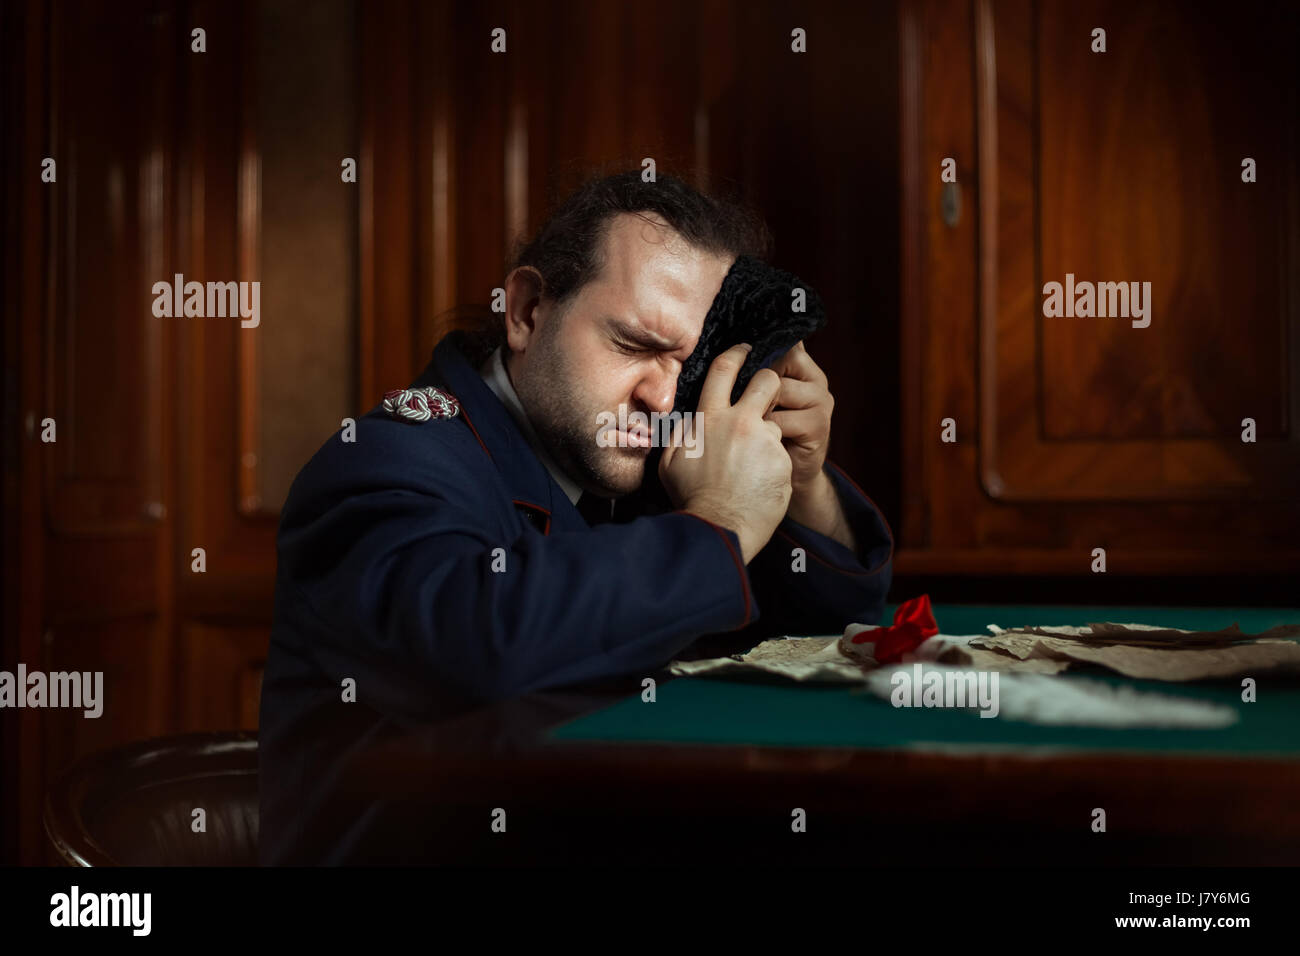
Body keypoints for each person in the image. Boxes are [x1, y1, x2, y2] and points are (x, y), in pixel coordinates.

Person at [258, 170, 892, 863]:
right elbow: (479, 647)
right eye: (636, 345)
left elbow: (827, 634)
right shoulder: (384, 462)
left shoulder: (638, 454)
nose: (663, 396)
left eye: (690, 363)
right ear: (528, 310)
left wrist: (802, 488)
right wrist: (720, 523)